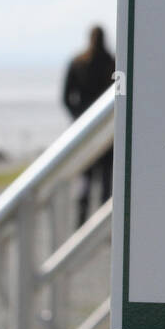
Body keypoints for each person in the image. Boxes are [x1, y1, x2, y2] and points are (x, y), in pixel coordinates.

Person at [63, 25, 116, 223]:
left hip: (84, 132)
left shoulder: (77, 63)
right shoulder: (113, 63)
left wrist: (79, 119)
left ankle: (81, 222)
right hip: (106, 131)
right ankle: (103, 226)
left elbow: (66, 98)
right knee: (105, 182)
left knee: (84, 178)